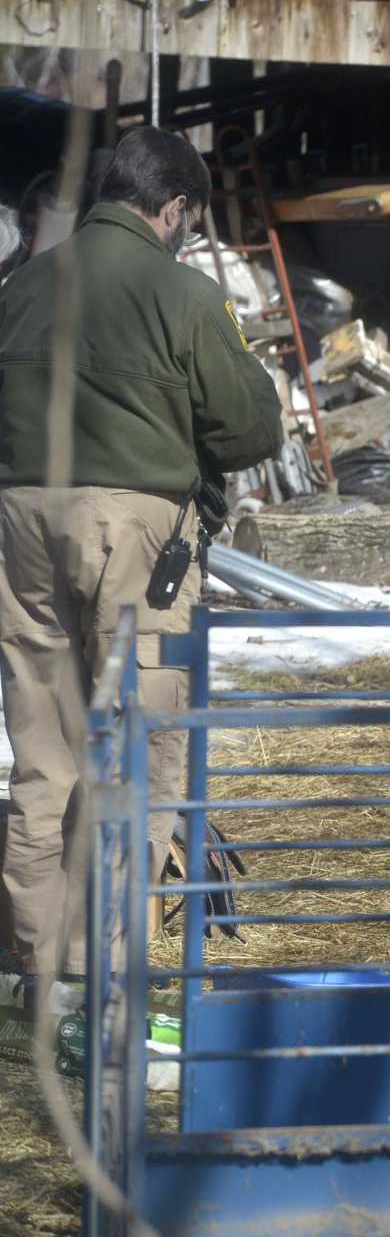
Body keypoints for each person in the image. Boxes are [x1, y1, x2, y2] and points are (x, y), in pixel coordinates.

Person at [0, 127, 284, 1010]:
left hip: (20, 522)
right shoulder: (185, 293)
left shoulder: (22, 287)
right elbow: (251, 428)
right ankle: (103, 972)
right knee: (137, 753)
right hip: (138, 536)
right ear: (175, 208)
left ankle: (33, 972)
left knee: (43, 753)